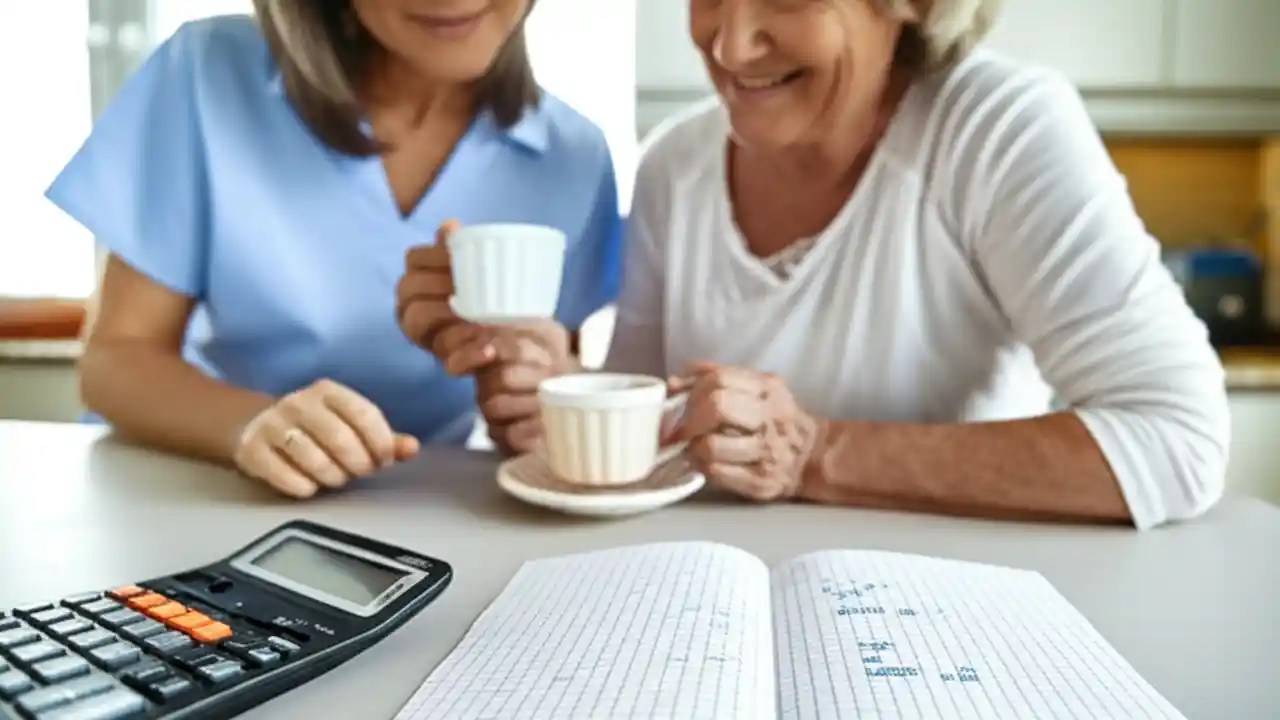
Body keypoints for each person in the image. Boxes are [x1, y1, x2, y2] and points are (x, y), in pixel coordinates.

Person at [450, 0, 1230, 530]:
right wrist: (554, 399)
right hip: (714, 605)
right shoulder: (674, 164)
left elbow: (1175, 439)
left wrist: (815, 453)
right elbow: (653, 442)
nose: (728, 44)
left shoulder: (998, 128)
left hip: (965, 609)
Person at [47, 1, 622, 499]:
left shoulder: (574, 158)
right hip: (194, 489)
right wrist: (253, 426)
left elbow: (523, 408)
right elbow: (115, 361)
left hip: (415, 520)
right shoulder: (206, 72)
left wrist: (531, 396)